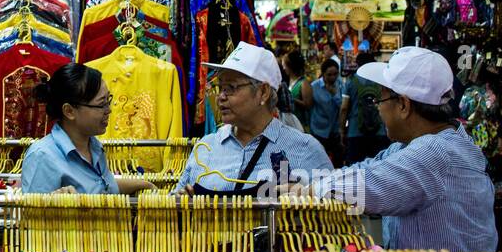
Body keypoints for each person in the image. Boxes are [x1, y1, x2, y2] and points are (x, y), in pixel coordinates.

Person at [308, 46, 497, 252]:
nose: (378, 108)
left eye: (380, 100)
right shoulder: (413, 145)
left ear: (404, 105)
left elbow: (368, 186)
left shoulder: (434, 151)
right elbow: (368, 169)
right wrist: (310, 183)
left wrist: (309, 189)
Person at [175, 43, 332, 194]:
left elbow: (333, 213)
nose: (220, 97)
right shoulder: (205, 149)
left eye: (231, 88)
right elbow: (174, 205)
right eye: (220, 88)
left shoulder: (304, 149)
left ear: (263, 92)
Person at [21, 64, 155, 195]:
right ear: (69, 111)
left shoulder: (94, 146)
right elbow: (32, 215)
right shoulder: (42, 157)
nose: (108, 110)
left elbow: (101, 189)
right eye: (101, 104)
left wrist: (143, 184)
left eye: (108, 100)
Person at [338, 51, 389, 164]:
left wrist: (342, 131)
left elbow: (344, 108)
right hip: (378, 131)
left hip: (355, 132)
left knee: (355, 168)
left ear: (358, 64)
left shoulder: (351, 82)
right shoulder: (380, 82)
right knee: (378, 166)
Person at [308, 58, 344, 160]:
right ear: (323, 74)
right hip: (318, 130)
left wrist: (334, 95)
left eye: (335, 74)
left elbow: (343, 107)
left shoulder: (340, 85)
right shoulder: (314, 86)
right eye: (329, 75)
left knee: (338, 161)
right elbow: (310, 107)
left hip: (335, 130)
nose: (333, 77)